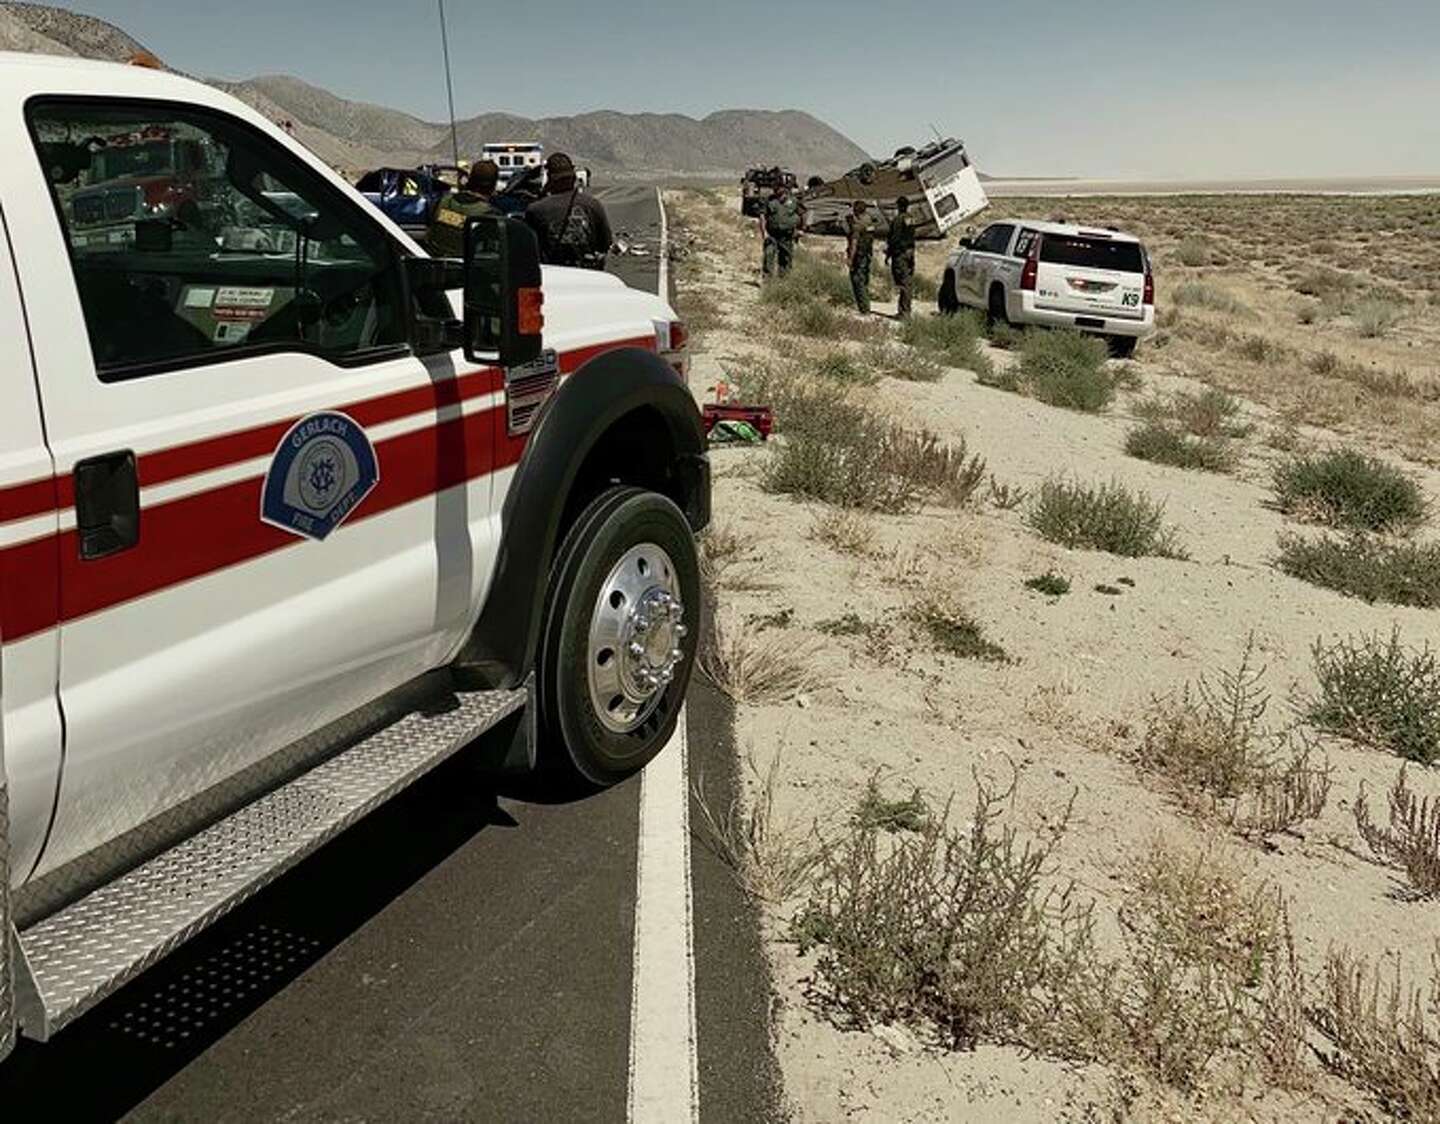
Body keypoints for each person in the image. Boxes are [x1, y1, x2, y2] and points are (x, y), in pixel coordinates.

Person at [524, 152, 612, 269]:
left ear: (550, 178)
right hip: (588, 273)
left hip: (553, 272)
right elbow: (605, 244)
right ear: (574, 177)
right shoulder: (593, 205)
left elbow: (529, 248)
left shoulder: (536, 209)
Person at [424, 160, 500, 259]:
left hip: (436, 267)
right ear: (493, 186)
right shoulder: (489, 214)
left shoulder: (442, 202)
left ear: (470, 179)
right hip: (466, 271)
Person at [760, 182, 803, 277]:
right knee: (769, 255)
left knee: (785, 259)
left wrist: (801, 229)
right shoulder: (769, 201)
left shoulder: (793, 201)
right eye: (775, 187)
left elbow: (803, 214)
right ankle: (768, 281)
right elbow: (763, 216)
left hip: (787, 236)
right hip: (772, 235)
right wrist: (764, 233)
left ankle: (783, 280)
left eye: (779, 187)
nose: (776, 189)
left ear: (784, 188)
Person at [886, 195, 919, 319]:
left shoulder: (898, 220)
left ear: (899, 206)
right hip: (910, 252)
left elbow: (893, 238)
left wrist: (889, 254)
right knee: (908, 283)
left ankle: (904, 313)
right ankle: (905, 311)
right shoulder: (911, 218)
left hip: (900, 253)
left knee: (904, 283)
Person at [845, 199, 879, 314]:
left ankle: (864, 309)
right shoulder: (869, 220)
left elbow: (854, 243)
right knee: (864, 280)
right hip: (867, 254)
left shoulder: (858, 225)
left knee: (857, 281)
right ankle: (866, 305)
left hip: (859, 256)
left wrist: (850, 258)